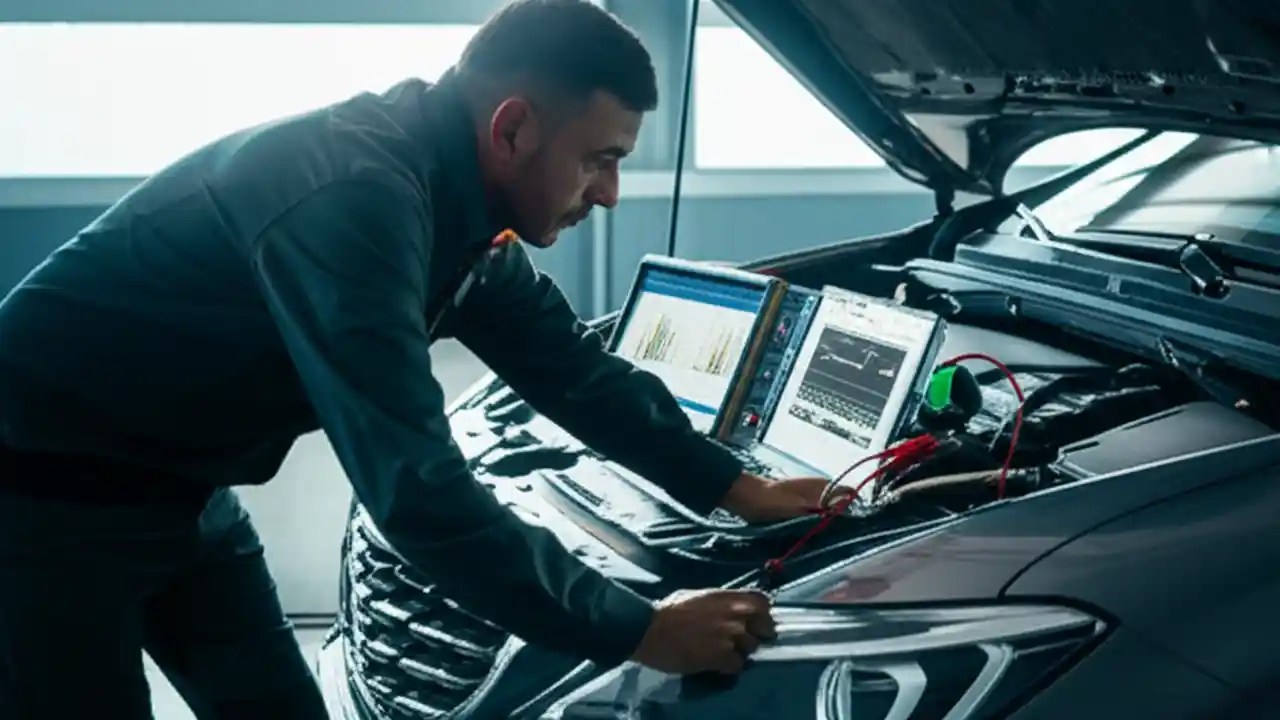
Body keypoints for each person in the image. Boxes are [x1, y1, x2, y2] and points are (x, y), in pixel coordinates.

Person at [0, 1, 833, 717]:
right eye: (599, 160)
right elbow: (417, 492)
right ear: (512, 128)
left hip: (185, 491)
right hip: (41, 497)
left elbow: (571, 368)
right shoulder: (355, 199)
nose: (609, 193)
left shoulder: (451, 201)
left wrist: (737, 488)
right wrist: (643, 630)